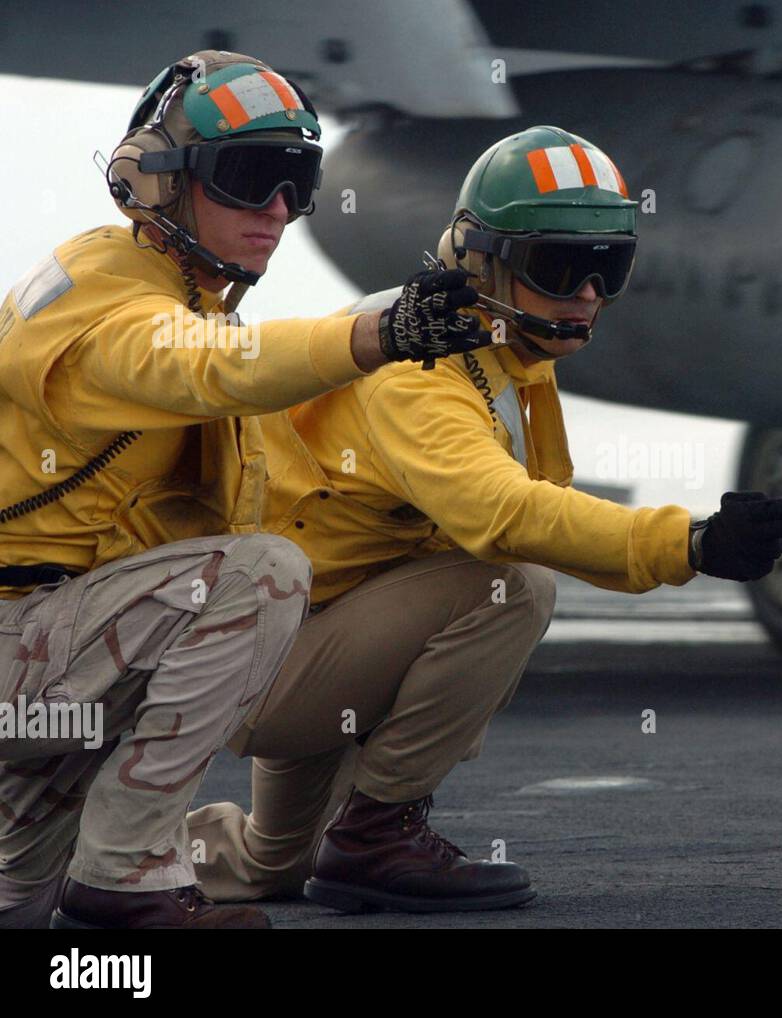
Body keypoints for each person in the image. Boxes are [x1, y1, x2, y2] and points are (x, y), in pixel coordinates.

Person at [188, 125, 782, 914]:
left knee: (272, 867)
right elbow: (504, 516)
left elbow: (539, 512)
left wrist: (687, 548)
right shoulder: (419, 365)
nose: (586, 293)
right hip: (281, 659)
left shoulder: (511, 357)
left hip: (317, 637)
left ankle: (115, 855)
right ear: (483, 264)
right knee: (510, 589)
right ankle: (379, 830)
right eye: (558, 266)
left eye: (607, 267)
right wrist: (687, 541)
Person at [0, 49, 493, 929]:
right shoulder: (100, 294)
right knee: (261, 570)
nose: (276, 211)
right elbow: (198, 369)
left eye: (296, 184)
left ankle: (113, 874)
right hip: (22, 653)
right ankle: (127, 873)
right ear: (158, 181)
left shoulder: (196, 304)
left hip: (55, 680)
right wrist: (377, 335)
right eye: (248, 177)